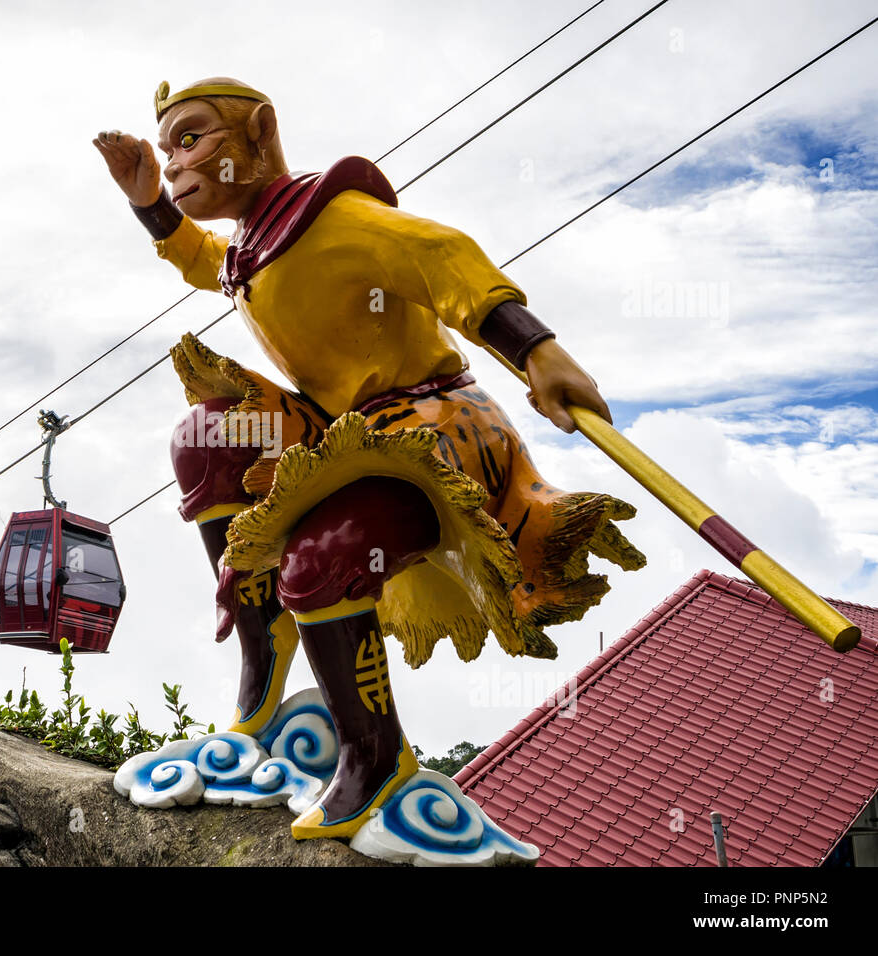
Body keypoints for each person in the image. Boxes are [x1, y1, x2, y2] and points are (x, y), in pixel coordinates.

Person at [94, 78, 644, 841]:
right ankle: (267, 633)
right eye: (167, 150)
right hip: (334, 428)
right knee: (207, 439)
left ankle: (377, 757)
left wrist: (536, 350)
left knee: (320, 560)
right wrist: (147, 198)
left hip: (431, 424)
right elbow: (199, 259)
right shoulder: (256, 244)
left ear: (260, 131)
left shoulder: (336, 217)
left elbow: (442, 257)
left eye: (191, 140)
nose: (178, 163)